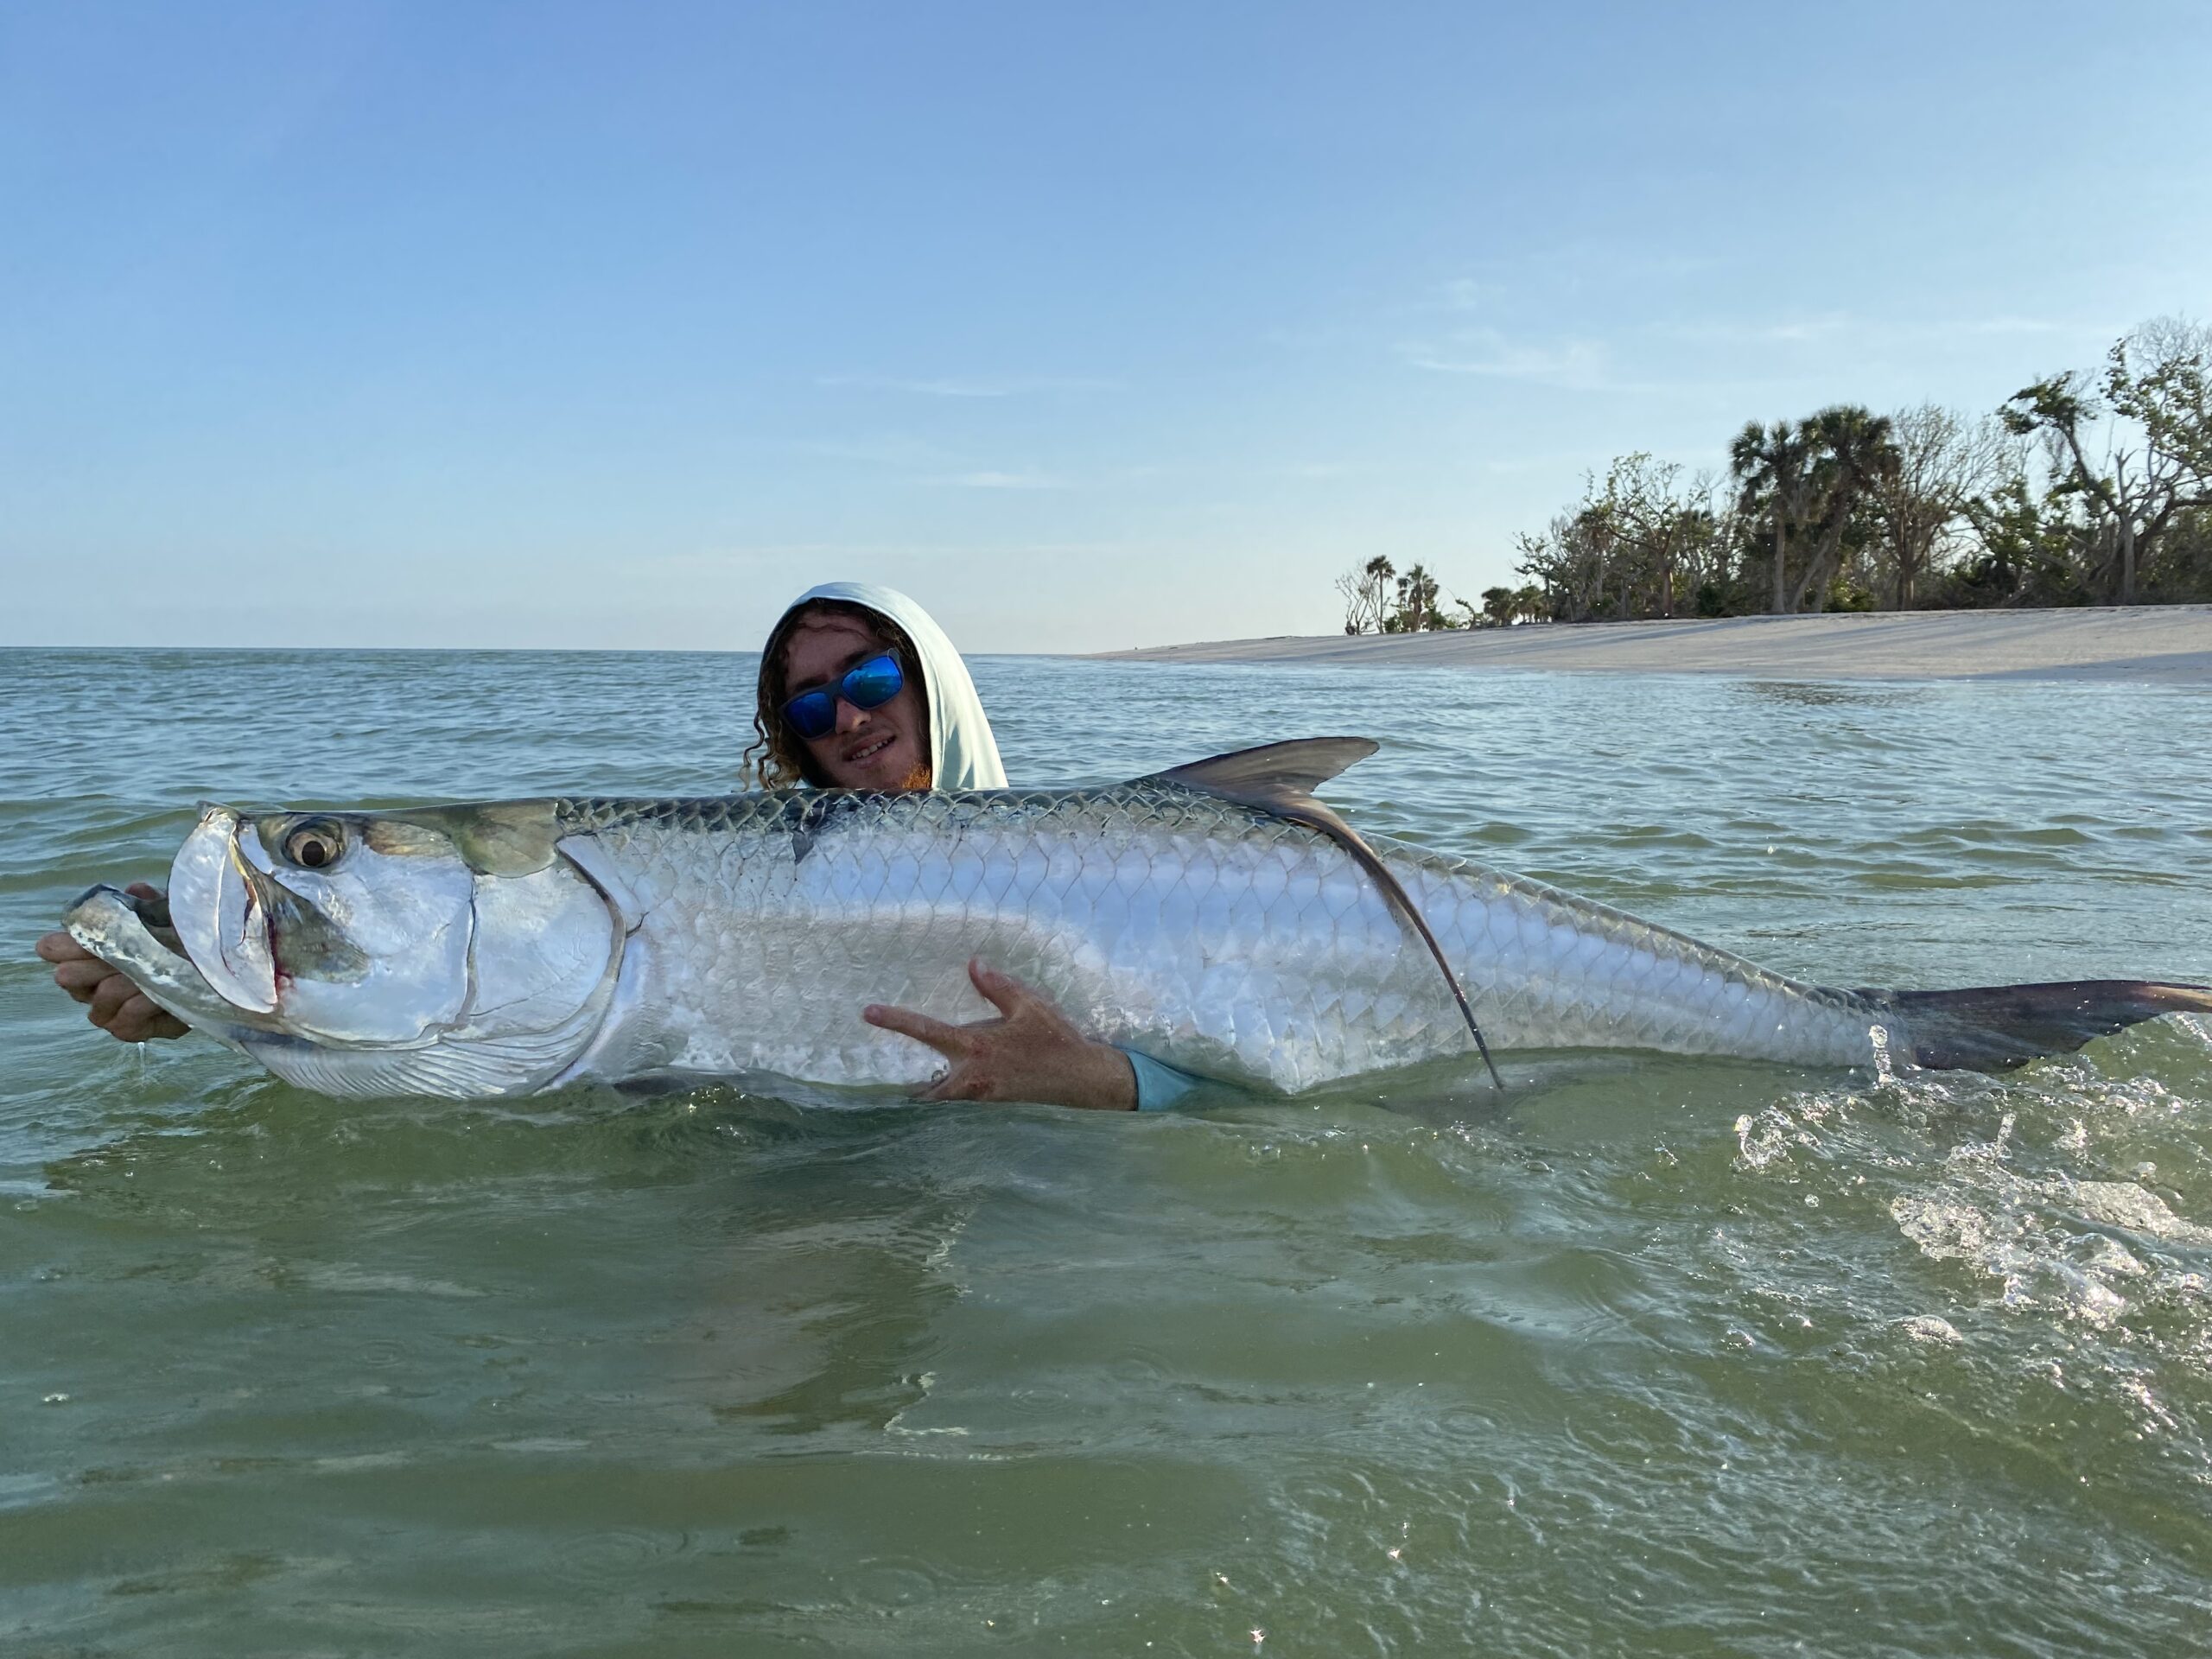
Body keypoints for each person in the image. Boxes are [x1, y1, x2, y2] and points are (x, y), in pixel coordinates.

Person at [37, 581, 1197, 1113]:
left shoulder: (1131, 872)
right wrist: (198, 1000)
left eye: (874, 679)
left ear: (936, 687)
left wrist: (1115, 1083)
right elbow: (527, 1042)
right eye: (804, 706)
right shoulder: (697, 875)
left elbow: (1300, 1063)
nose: (844, 720)